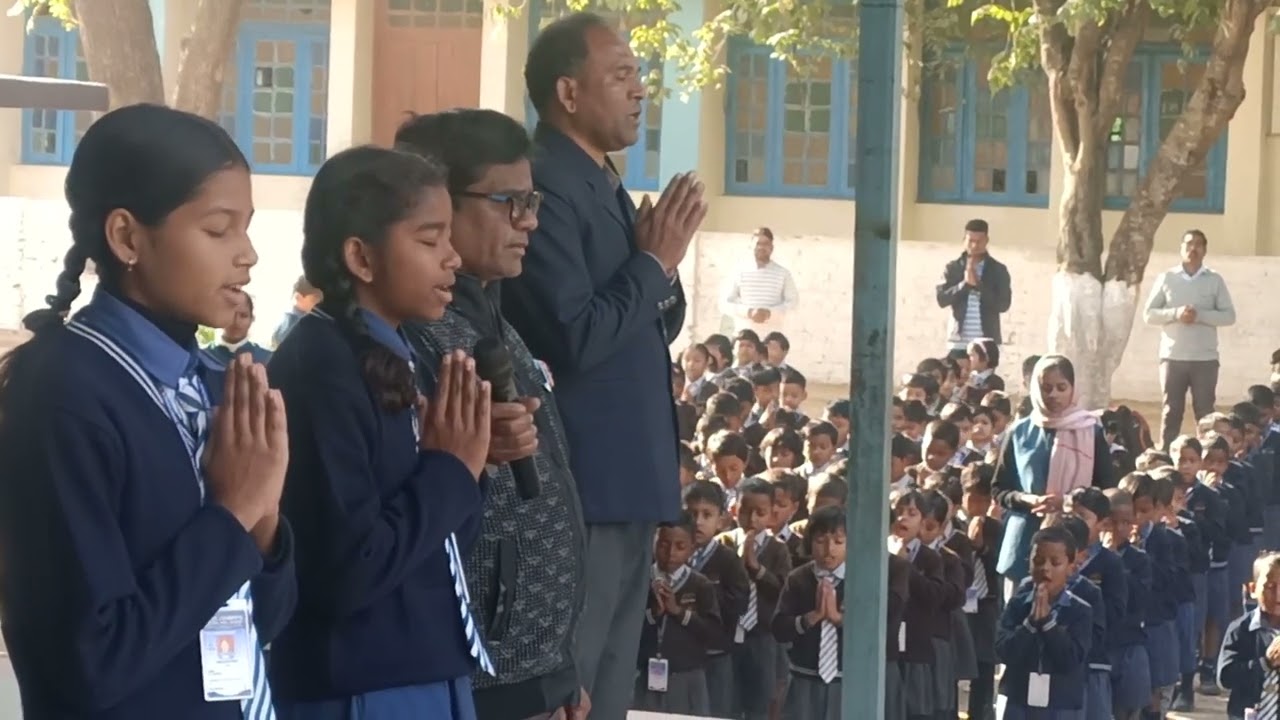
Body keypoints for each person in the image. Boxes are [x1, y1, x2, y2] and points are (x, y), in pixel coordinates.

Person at [0, 104, 295, 718]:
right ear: (128, 237)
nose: (248, 256)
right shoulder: (63, 395)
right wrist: (233, 510)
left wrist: (262, 517)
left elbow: (262, 618)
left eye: (247, 228)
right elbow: (90, 662)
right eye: (219, 229)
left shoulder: (209, 383)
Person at [508, 13, 707, 718]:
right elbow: (576, 336)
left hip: (631, 475)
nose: (640, 90)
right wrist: (653, 262)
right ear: (567, 91)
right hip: (583, 480)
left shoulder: (601, 178)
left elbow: (654, 321)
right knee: (575, 686)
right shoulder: (545, 184)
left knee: (612, 686)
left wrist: (661, 267)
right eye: (620, 74)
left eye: (638, 75)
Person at [265, 146, 493, 719]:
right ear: (361, 258)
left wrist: (471, 462)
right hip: (359, 686)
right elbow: (348, 567)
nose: (454, 259)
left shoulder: (399, 352)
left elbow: (436, 541)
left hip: (422, 668)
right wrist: (447, 471)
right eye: (429, 239)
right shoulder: (319, 366)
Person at [392, 109, 591, 720]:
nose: (528, 221)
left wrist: (559, 672)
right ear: (437, 203)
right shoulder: (416, 340)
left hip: (539, 670)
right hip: (482, 682)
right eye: (509, 201)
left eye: (532, 201)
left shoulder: (494, 320)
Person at [994, 355, 1113, 599]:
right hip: (1024, 543)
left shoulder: (1090, 430)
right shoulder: (1020, 431)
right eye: (1046, 388)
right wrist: (1026, 499)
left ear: (1073, 388)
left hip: (1075, 545)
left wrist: (1070, 503)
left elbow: (1106, 489)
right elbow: (999, 489)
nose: (1054, 395)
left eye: (1061, 387)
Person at [1141, 229, 1236, 450]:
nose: (1193, 249)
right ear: (1181, 248)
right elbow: (1149, 314)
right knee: (1171, 410)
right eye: (1188, 244)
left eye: (1198, 245)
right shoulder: (1167, 278)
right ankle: (1165, 455)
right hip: (1173, 357)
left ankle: (1207, 457)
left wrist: (1199, 316)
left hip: (1205, 359)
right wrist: (1176, 313)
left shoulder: (1214, 280)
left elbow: (1229, 316)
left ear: (1205, 250)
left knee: (1206, 413)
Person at [934, 219, 1012, 352]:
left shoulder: (998, 269)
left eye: (979, 241)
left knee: (984, 374)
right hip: (958, 341)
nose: (974, 246)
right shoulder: (953, 268)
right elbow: (942, 299)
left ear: (986, 240)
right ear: (964, 240)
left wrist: (978, 286)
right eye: (970, 241)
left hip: (987, 341)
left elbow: (1003, 305)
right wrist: (965, 285)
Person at [719, 227, 800, 335]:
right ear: (751, 246)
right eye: (758, 243)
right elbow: (724, 303)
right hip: (744, 338)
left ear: (772, 247)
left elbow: (793, 303)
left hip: (772, 339)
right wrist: (749, 312)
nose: (761, 247)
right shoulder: (738, 271)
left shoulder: (783, 274)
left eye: (766, 243)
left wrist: (769, 314)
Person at [203, 294, 272, 367]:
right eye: (230, 314)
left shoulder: (268, 359)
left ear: (251, 319)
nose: (236, 322)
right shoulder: (202, 358)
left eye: (243, 315)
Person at [271, 275, 323, 348]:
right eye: (315, 300)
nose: (318, 304)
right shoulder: (294, 324)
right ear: (298, 297)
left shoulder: (291, 320)